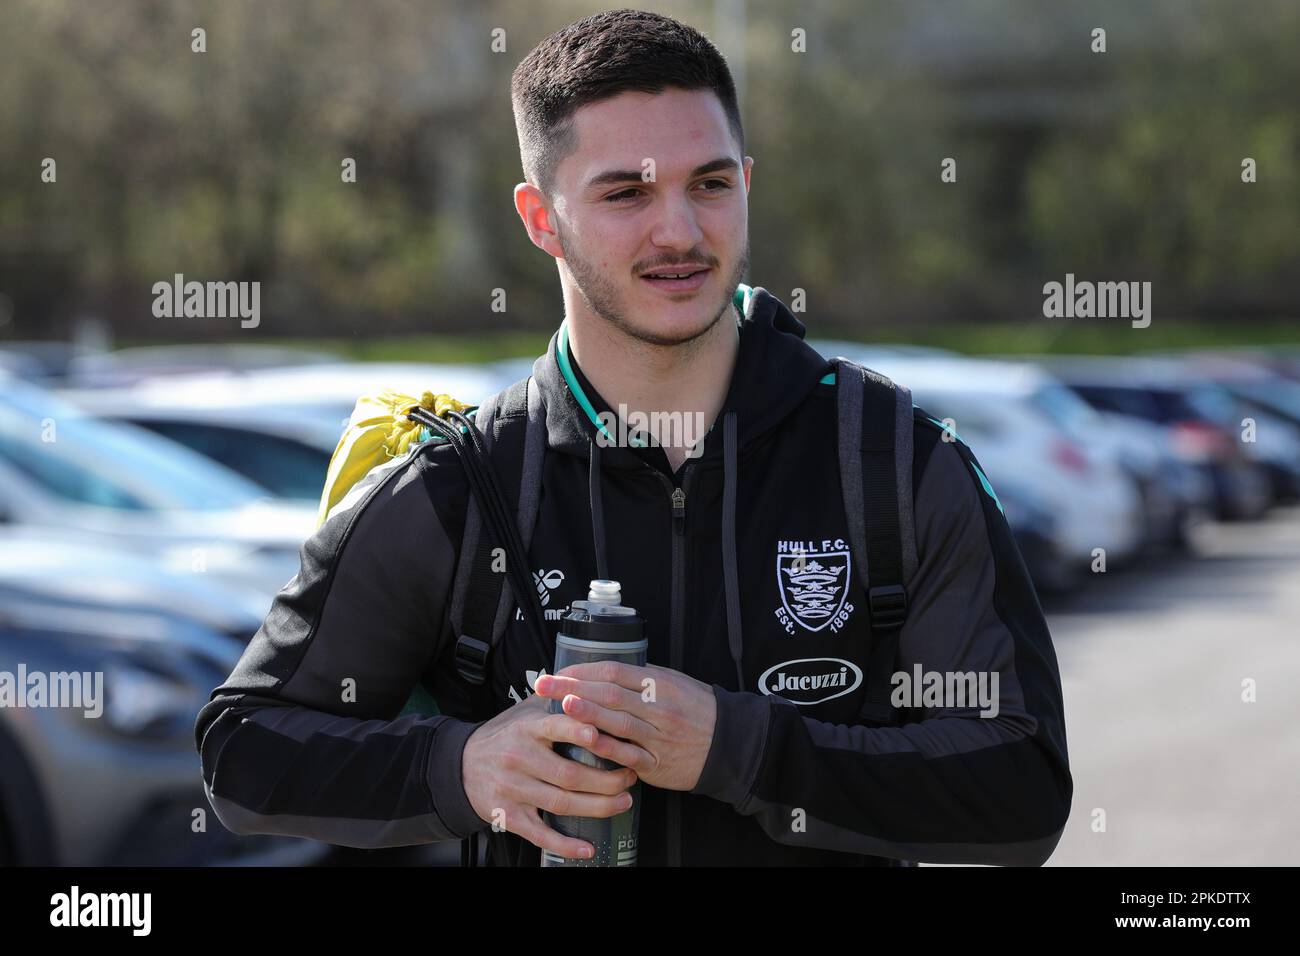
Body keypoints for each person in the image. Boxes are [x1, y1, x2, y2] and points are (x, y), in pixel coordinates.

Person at [195, 8, 1072, 867]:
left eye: (711, 183)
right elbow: (242, 752)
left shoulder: (892, 462)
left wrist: (744, 751)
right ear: (541, 220)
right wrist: (460, 767)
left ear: (747, 184)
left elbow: (1022, 794)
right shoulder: (465, 486)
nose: (681, 232)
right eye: (626, 192)